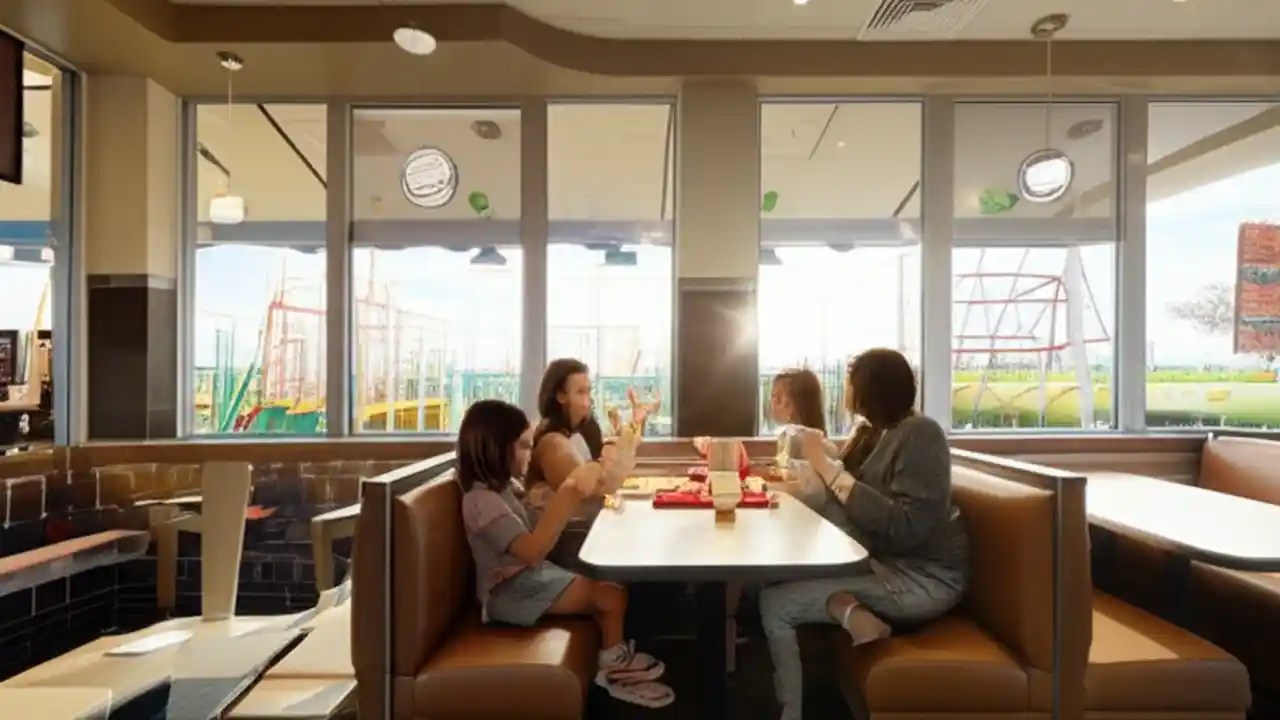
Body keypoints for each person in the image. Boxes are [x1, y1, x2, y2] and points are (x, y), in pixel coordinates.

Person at [757, 349, 969, 720]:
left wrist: (825, 467)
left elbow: (906, 529)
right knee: (769, 580)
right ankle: (852, 613)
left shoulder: (921, 434)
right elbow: (844, 501)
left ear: (870, 389)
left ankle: (790, 713)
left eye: (851, 382)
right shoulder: (868, 432)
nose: (845, 391)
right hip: (880, 562)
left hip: (920, 580)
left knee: (775, 604)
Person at [457, 399, 675, 708]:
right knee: (610, 597)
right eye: (523, 446)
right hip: (507, 594)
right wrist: (569, 492)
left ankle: (614, 658)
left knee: (612, 590)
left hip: (526, 580)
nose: (530, 454)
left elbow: (533, 532)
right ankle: (612, 673)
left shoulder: (503, 491)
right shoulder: (481, 501)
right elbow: (532, 551)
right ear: (495, 448)